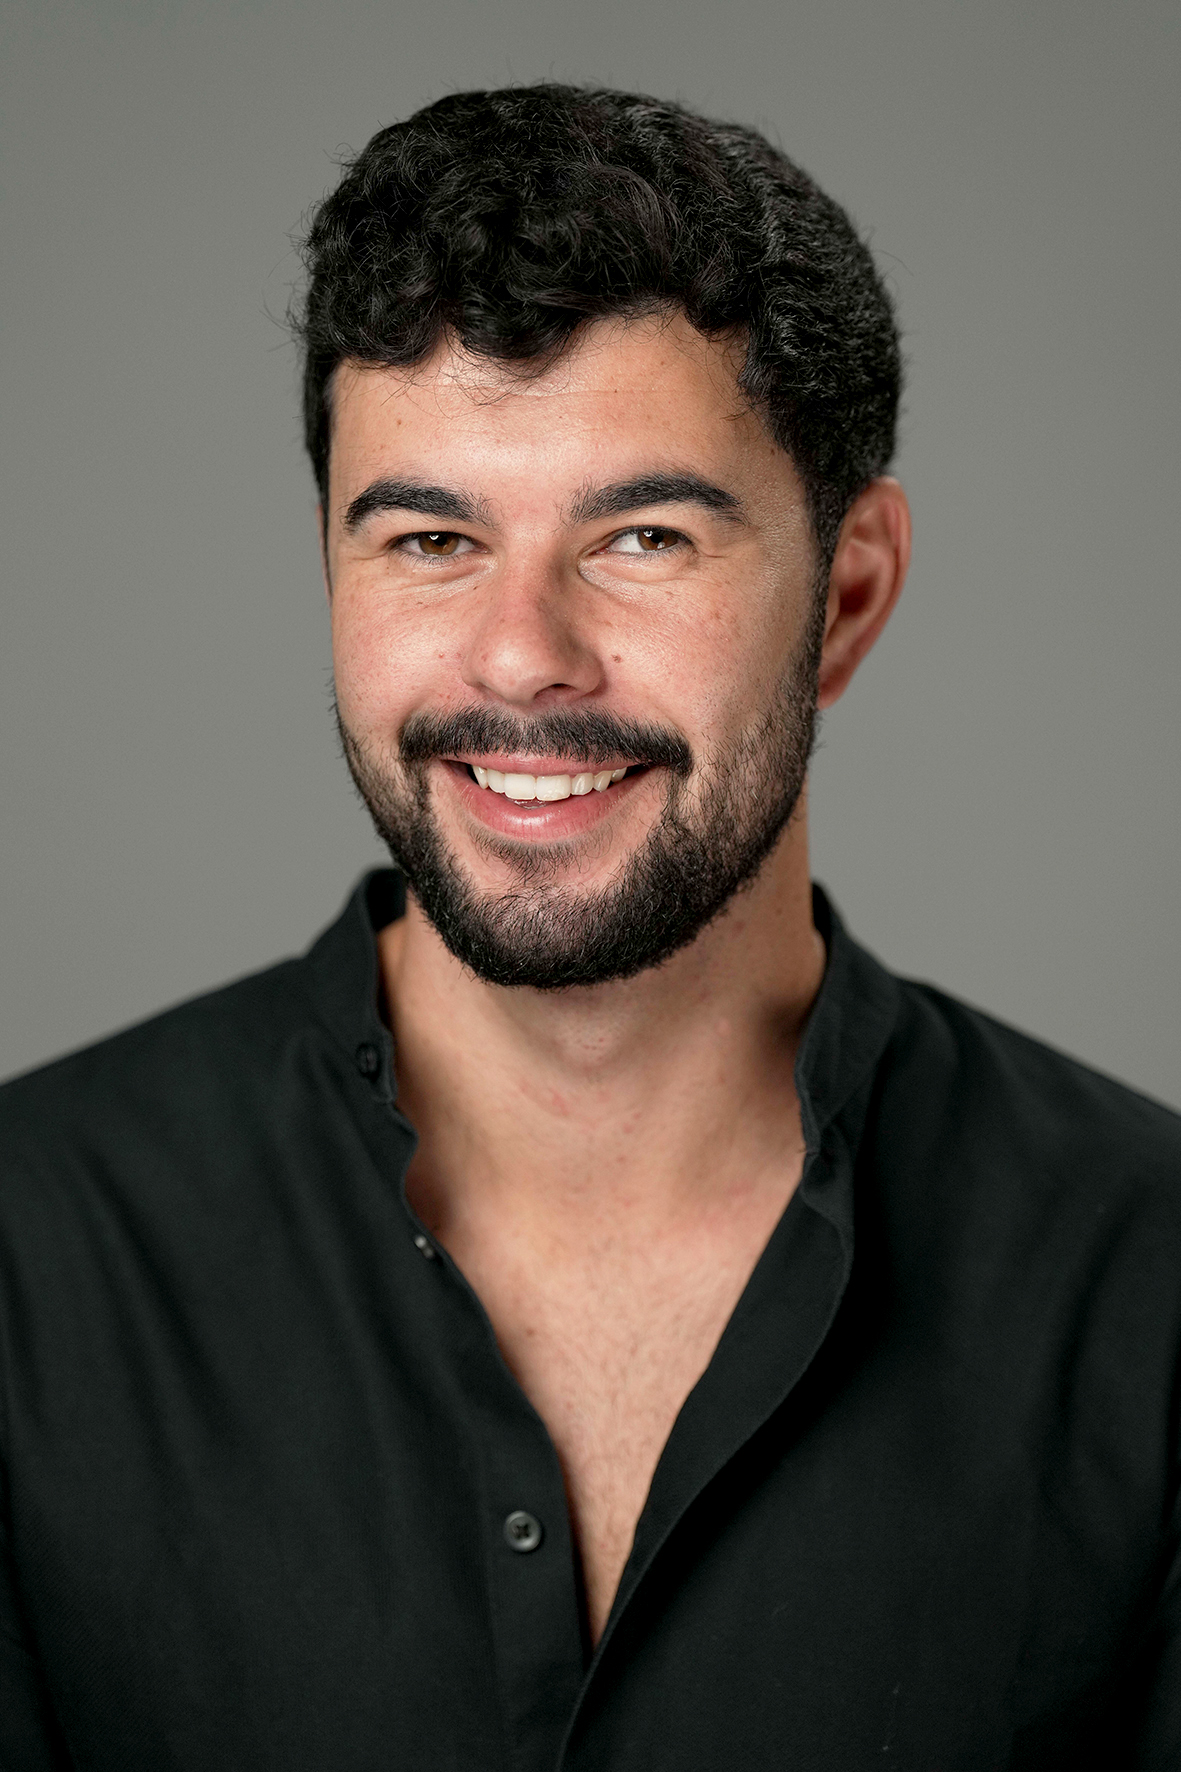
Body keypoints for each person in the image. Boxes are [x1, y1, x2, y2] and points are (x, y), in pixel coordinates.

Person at [1, 82, 1178, 1772]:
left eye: (640, 537)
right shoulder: (29, 1259)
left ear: (847, 591)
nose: (518, 656)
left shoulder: (1146, 1291)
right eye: (430, 539)